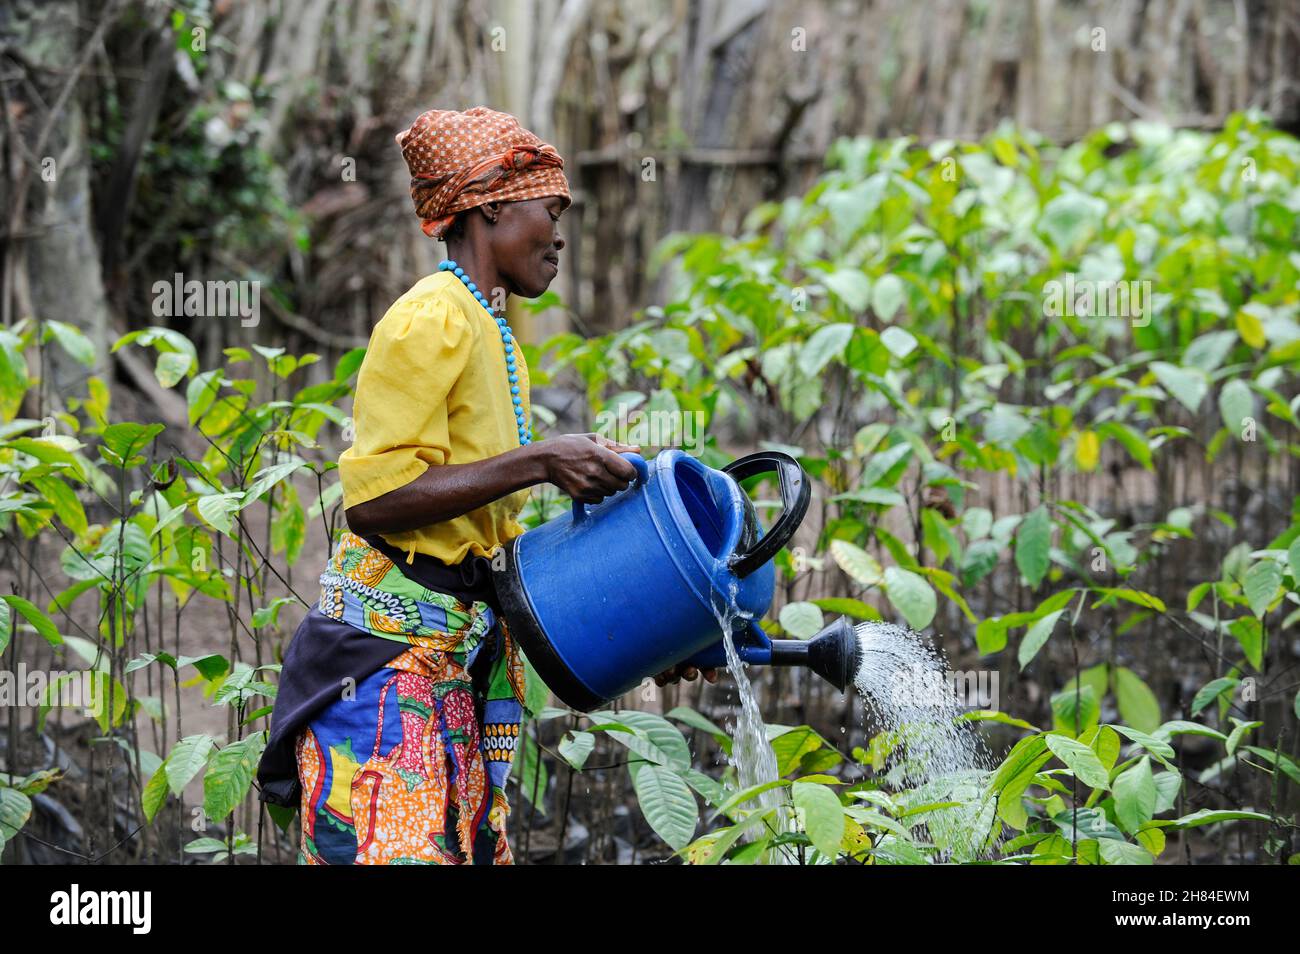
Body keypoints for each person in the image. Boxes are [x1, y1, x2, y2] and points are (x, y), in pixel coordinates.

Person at [256, 106, 712, 866]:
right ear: (491, 206)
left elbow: (488, 552)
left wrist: (647, 616)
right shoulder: (430, 317)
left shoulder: (491, 329)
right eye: (549, 208)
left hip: (447, 665)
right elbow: (375, 501)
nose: (560, 233)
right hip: (378, 669)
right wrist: (539, 460)